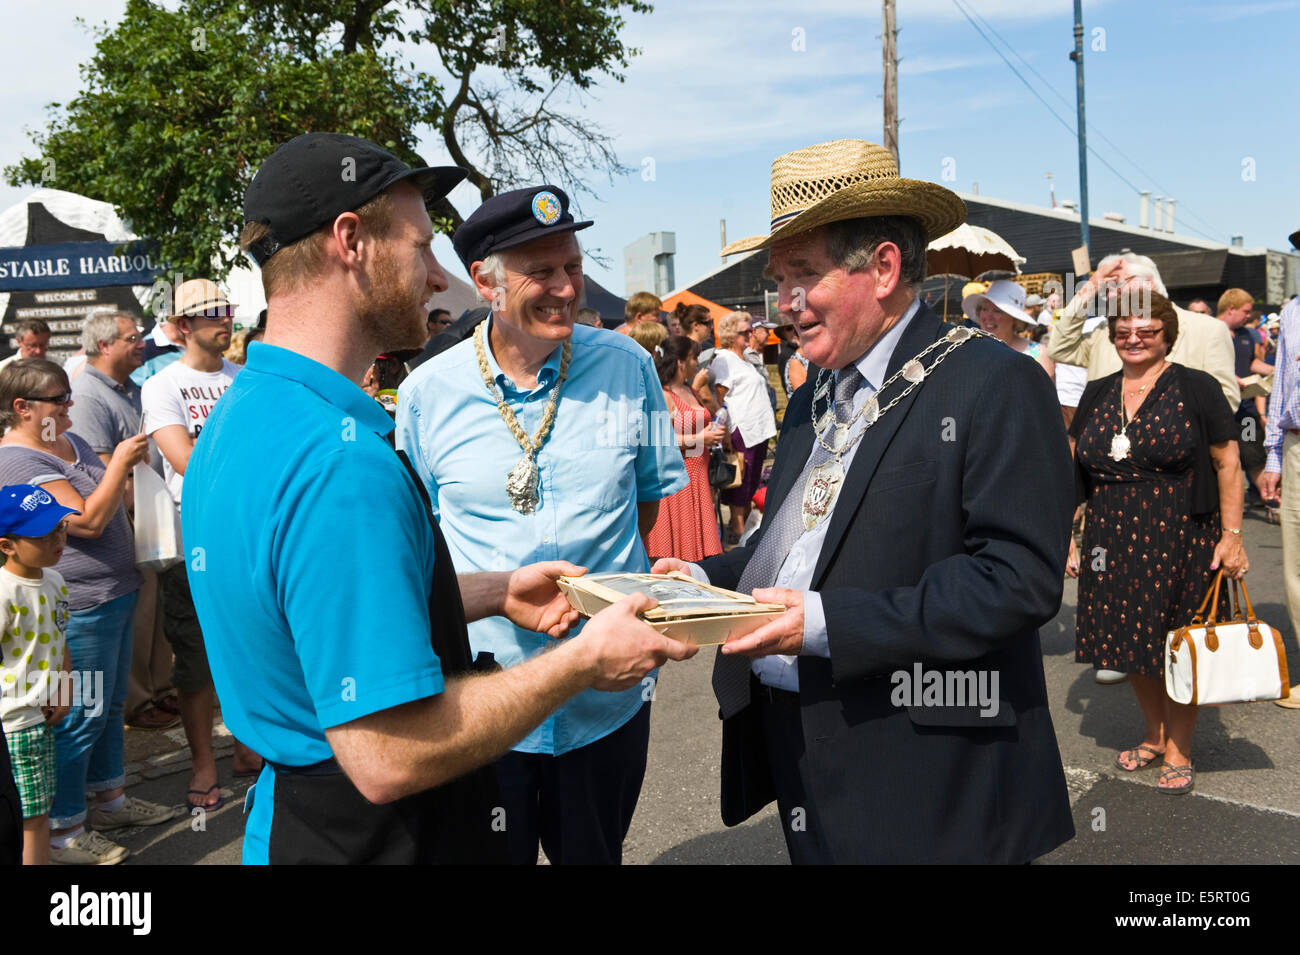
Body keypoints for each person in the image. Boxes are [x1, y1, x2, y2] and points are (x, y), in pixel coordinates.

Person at [188, 132, 694, 864]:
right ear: (351, 241)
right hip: (369, 834)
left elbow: (322, 613)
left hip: (296, 822)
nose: (434, 277)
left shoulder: (245, 415)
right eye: (421, 247)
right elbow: (388, 752)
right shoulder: (342, 461)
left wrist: (492, 590)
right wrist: (583, 662)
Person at [653, 138, 1075, 863]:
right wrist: (706, 580)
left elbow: (1016, 580)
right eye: (778, 280)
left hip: (933, 773)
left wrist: (823, 622)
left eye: (803, 277)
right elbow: (789, 542)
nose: (784, 305)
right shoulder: (811, 391)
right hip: (807, 754)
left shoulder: (993, 382)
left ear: (882, 268)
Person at [396, 184, 689, 865]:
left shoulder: (628, 367)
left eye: (573, 266)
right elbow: (423, 545)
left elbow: (644, 504)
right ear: (486, 282)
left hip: (605, 701)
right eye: (542, 272)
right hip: (485, 706)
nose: (565, 288)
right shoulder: (425, 394)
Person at [1067, 293, 1246, 793]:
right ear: (1112, 335)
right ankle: (1154, 732)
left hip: (1182, 534)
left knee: (1180, 643)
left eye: (1146, 330)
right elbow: (1076, 467)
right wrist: (1070, 536)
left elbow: (1227, 463)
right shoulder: (1099, 391)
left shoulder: (1195, 386)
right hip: (1111, 535)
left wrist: (1233, 536)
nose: (1134, 339)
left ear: (1167, 333)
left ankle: (1179, 748)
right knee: (1131, 641)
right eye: (1124, 330)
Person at [0, 359, 176, 864]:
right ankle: (65, 830)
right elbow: (89, 521)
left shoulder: (70, 442)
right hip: (81, 603)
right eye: (58, 399)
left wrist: (129, 472)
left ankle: (112, 799)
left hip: (114, 591)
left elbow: (115, 501)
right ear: (23, 408)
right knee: (82, 714)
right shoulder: (17, 461)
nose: (69, 405)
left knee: (108, 708)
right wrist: (120, 462)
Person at [142, 278, 263, 810]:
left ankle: (246, 746)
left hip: (247, 536)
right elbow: (185, 461)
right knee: (194, 659)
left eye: (227, 309)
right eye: (213, 312)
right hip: (194, 544)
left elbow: (264, 448)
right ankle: (202, 764)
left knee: (251, 645)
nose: (226, 319)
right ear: (184, 326)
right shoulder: (162, 384)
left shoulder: (247, 378)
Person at [67, 309, 177, 733]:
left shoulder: (133, 389)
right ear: (104, 345)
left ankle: (159, 686)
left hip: (149, 513)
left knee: (156, 606)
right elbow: (98, 468)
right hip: (122, 516)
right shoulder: (88, 396)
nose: (142, 344)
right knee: (138, 610)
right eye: (132, 338)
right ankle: (137, 700)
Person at [1045, 252, 1238, 409]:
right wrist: (1089, 289)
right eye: (1105, 289)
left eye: (1118, 284)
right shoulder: (1104, 333)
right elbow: (1059, 349)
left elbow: (1226, 400)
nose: (1111, 295)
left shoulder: (1207, 329)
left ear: (1150, 283)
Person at [0, 484, 77, 864]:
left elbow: (61, 641)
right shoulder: (4, 591)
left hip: (43, 719)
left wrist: (64, 690)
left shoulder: (55, 581)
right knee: (30, 820)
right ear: (6, 545)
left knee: (40, 810)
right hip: (13, 724)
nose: (57, 539)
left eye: (60, 528)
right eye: (43, 535)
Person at [643, 336, 725, 562]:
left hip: (697, 476)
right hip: (679, 480)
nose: (696, 363)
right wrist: (700, 438)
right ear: (680, 362)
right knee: (677, 553)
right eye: (693, 358)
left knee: (698, 554)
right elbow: (657, 438)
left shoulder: (690, 390)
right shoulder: (664, 394)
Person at [1259, 269, 1300, 708]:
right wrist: (1273, 455)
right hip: (1296, 444)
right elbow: (1281, 387)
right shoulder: (1291, 311)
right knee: (1297, 563)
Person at [711, 311, 777, 546]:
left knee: (750, 483)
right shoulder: (724, 359)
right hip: (741, 429)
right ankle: (738, 535)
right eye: (745, 331)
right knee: (740, 485)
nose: (750, 334)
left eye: (750, 330)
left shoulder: (745, 358)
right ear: (731, 334)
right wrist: (726, 431)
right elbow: (718, 396)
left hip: (757, 430)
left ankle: (743, 533)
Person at [1216, 288, 1273, 507]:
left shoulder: (1247, 335)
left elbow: (1252, 364)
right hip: (1220, 411)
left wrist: (1273, 370)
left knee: (1253, 454)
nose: (1249, 315)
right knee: (1223, 459)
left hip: (1246, 411)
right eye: (1245, 311)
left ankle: (1271, 501)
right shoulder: (1212, 332)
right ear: (1231, 309)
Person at [962, 279, 1053, 374]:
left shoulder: (1039, 354)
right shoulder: (971, 353)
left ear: (1015, 319)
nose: (988, 317)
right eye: (984, 309)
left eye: (997, 311)